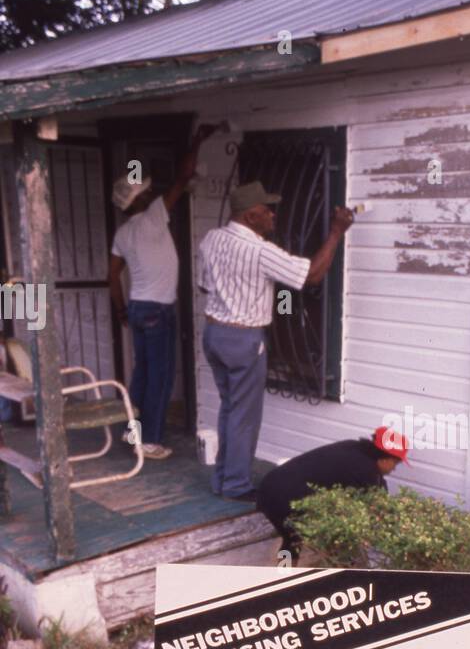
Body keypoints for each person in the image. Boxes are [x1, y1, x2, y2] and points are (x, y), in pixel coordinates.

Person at [198, 184, 354, 501]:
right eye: (267, 209)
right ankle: (236, 485)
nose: (273, 214)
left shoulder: (211, 239)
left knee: (230, 409)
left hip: (214, 334)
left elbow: (204, 286)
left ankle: (223, 479)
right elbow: (311, 275)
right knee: (244, 416)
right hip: (243, 338)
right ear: (251, 215)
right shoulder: (259, 250)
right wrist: (337, 232)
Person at [109, 124, 220, 459]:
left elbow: (111, 276)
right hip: (158, 309)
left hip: (139, 307)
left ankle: (133, 433)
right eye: (145, 190)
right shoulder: (154, 216)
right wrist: (198, 140)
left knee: (142, 374)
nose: (150, 191)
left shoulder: (123, 232)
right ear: (140, 199)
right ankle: (149, 440)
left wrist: (122, 311)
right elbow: (184, 177)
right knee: (159, 378)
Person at [257, 427, 411, 552]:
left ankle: (285, 573)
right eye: (395, 464)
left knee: (295, 539)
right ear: (384, 459)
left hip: (269, 486)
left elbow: (378, 486)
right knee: (293, 541)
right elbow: (375, 507)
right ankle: (284, 576)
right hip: (280, 499)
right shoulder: (365, 470)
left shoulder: (353, 448)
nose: (394, 470)